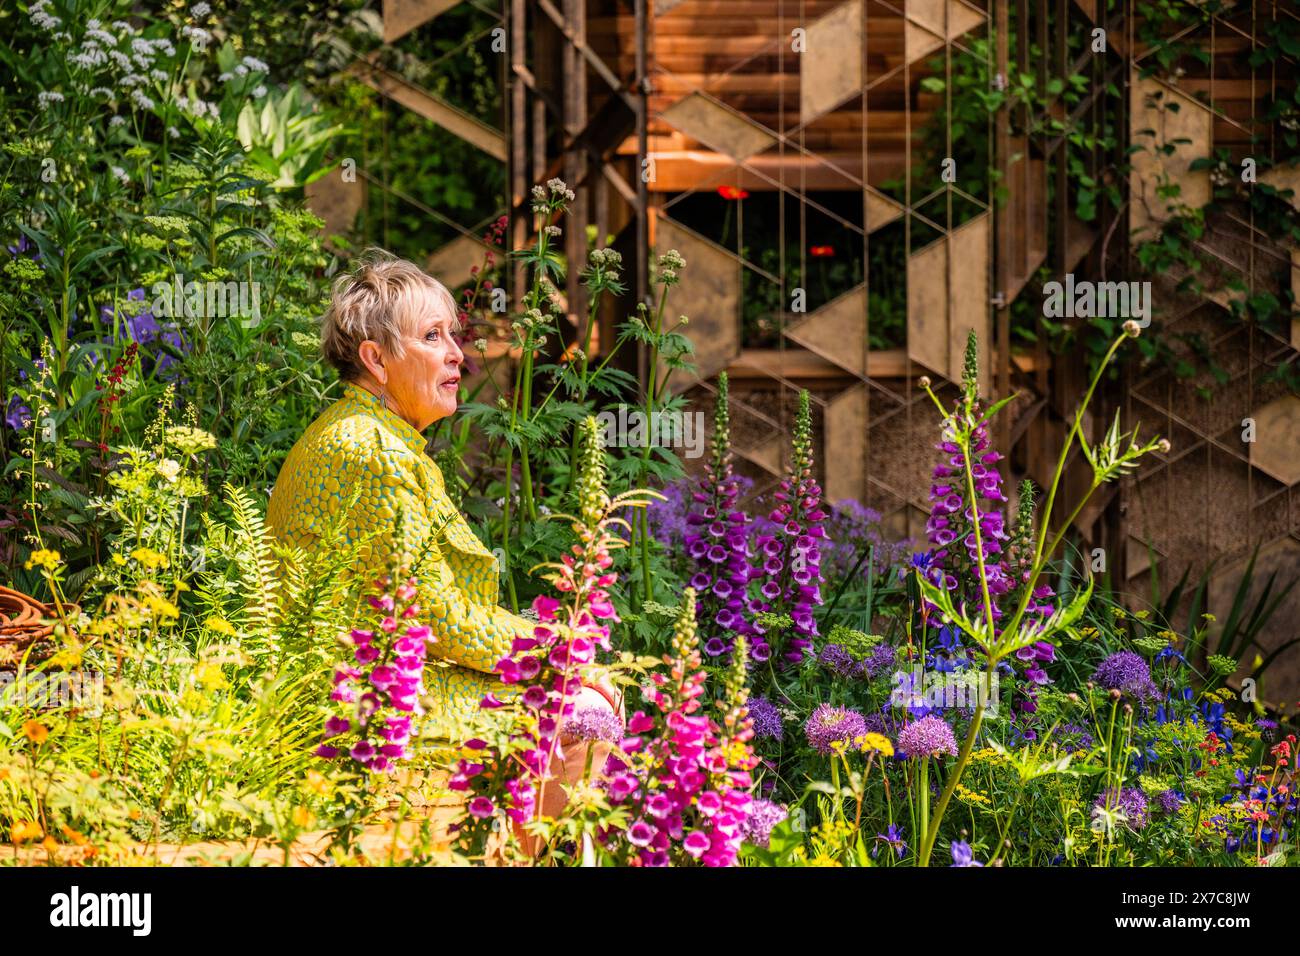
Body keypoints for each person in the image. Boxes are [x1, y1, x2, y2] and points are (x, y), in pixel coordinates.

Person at [266, 250, 620, 839]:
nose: (458, 354)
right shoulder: (371, 451)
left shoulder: (370, 436)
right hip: (365, 704)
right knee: (586, 713)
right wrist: (565, 649)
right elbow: (432, 616)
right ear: (376, 359)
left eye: (453, 335)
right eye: (433, 336)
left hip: (374, 681)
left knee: (584, 690)